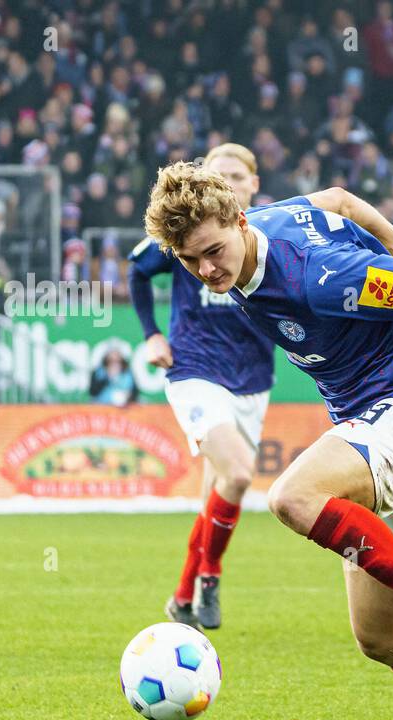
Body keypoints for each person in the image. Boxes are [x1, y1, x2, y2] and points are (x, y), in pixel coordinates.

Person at [141, 159, 393, 720]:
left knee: (292, 496)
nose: (206, 270)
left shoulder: (319, 277)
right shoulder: (261, 223)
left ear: (239, 221)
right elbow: (338, 197)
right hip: (368, 427)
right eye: (189, 261)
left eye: (212, 251)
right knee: (383, 642)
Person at [129, 143, 275, 631]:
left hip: (253, 377)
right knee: (236, 474)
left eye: (237, 175)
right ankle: (209, 575)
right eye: (218, 174)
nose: (228, 181)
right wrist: (151, 332)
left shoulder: (268, 233)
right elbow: (137, 270)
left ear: (253, 184)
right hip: (195, 367)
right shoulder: (187, 228)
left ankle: (181, 598)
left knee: (215, 495)